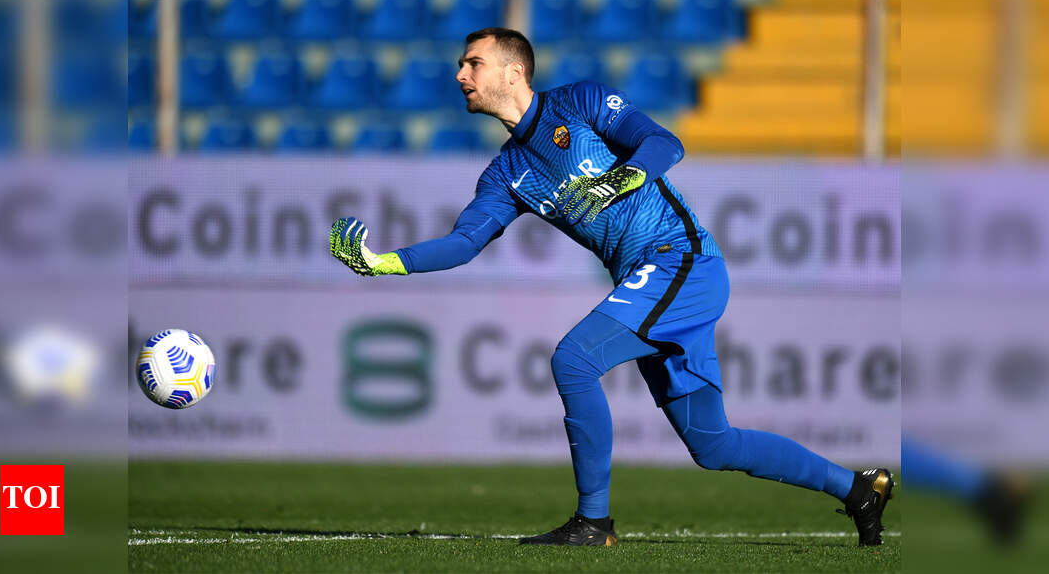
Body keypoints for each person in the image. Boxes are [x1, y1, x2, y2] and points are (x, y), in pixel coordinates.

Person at [329, 27, 893, 547]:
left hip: (681, 260)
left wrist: (620, 177)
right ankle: (858, 490)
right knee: (713, 444)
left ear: (513, 71)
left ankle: (593, 522)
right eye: (461, 65)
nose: (461, 75)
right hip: (657, 280)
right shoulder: (506, 174)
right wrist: (383, 263)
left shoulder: (579, 103)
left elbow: (664, 143)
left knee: (574, 360)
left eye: (473, 63)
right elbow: (463, 243)